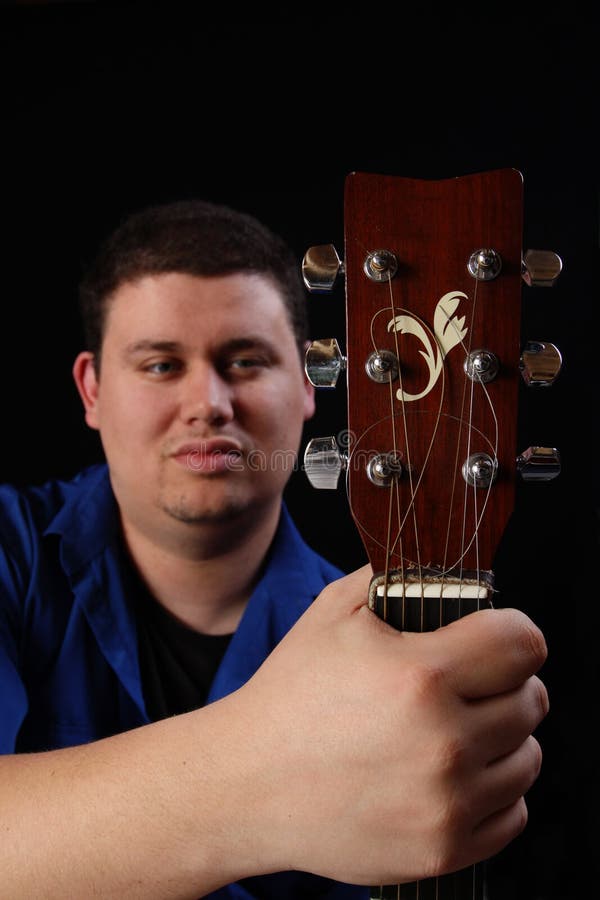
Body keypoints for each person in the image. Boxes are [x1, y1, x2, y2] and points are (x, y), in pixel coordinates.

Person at [0, 199, 548, 899]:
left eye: (247, 361)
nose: (209, 403)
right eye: (162, 365)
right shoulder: (9, 554)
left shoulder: (402, 654)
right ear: (93, 391)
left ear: (313, 384)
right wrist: (259, 767)